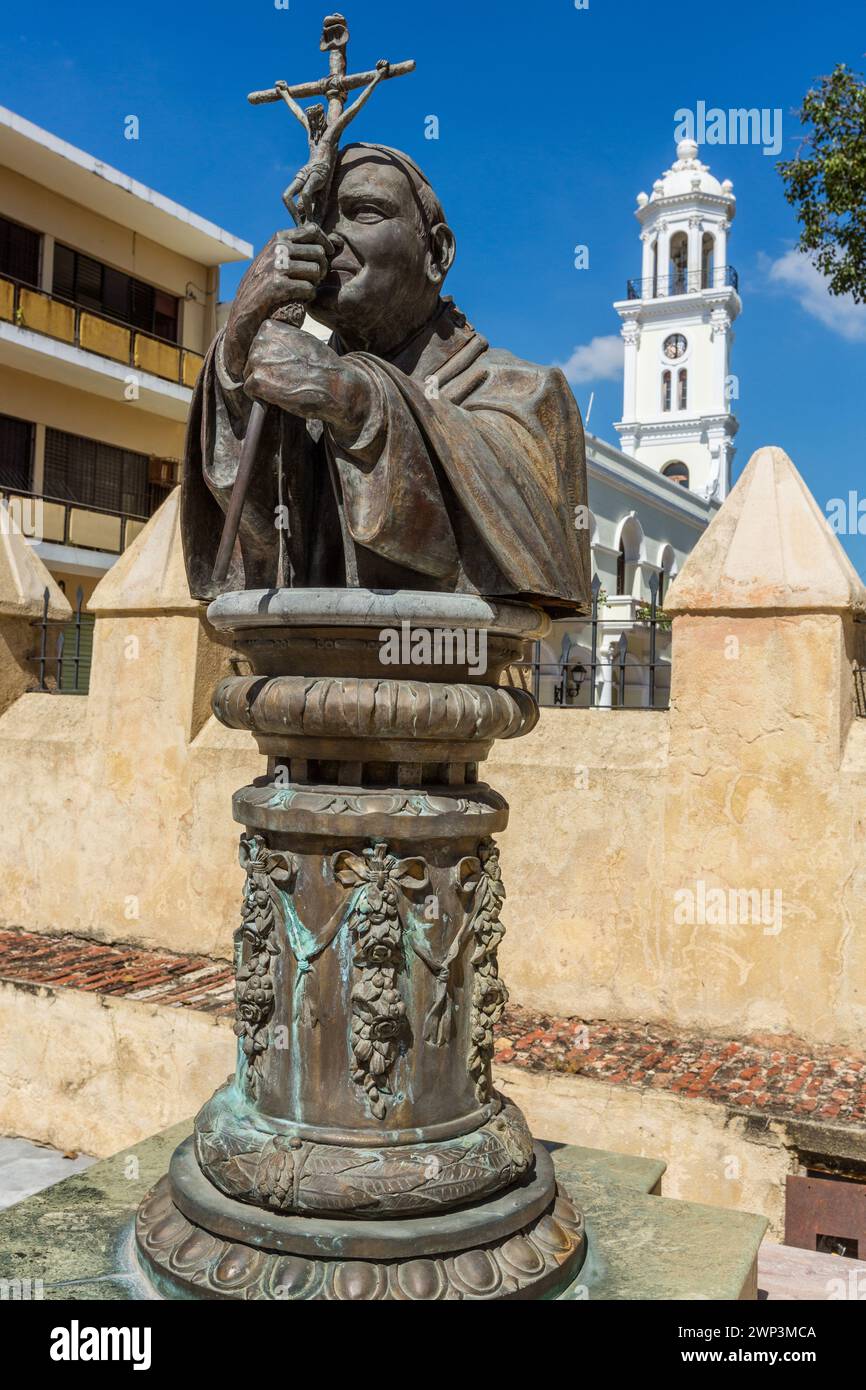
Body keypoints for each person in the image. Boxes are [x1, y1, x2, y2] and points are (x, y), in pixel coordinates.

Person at [181, 143, 590, 616]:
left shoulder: (528, 391)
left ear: (438, 252)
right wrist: (237, 348)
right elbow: (248, 554)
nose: (326, 238)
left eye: (364, 212)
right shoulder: (293, 396)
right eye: (316, 218)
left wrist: (355, 398)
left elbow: (536, 543)